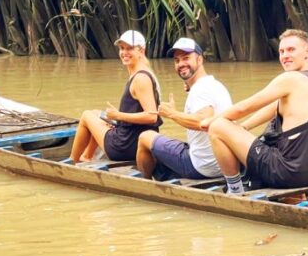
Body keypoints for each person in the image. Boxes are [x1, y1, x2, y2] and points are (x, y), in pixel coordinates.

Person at [201, 29, 308, 195]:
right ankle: (291, 197)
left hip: (287, 172)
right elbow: (273, 107)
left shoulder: (291, 78)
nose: (285, 56)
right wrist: (242, 128)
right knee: (228, 128)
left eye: (291, 50)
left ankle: (234, 190)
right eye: (281, 51)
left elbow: (244, 108)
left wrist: (212, 120)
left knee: (217, 127)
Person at [134, 37, 233, 180]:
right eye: (177, 60)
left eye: (186, 58)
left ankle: (144, 184)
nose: (181, 64)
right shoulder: (214, 84)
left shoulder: (201, 89)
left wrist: (172, 114)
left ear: (200, 60)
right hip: (224, 163)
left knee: (145, 137)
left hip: (202, 166)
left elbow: (203, 122)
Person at [68, 30, 162, 163]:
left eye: (130, 48)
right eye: (122, 48)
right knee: (96, 114)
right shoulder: (142, 73)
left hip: (126, 146)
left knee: (86, 115)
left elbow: (152, 117)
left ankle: (72, 161)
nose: (124, 52)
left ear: (141, 50)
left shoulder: (140, 78)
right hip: (133, 140)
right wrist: (117, 119)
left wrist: (119, 116)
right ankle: (86, 156)